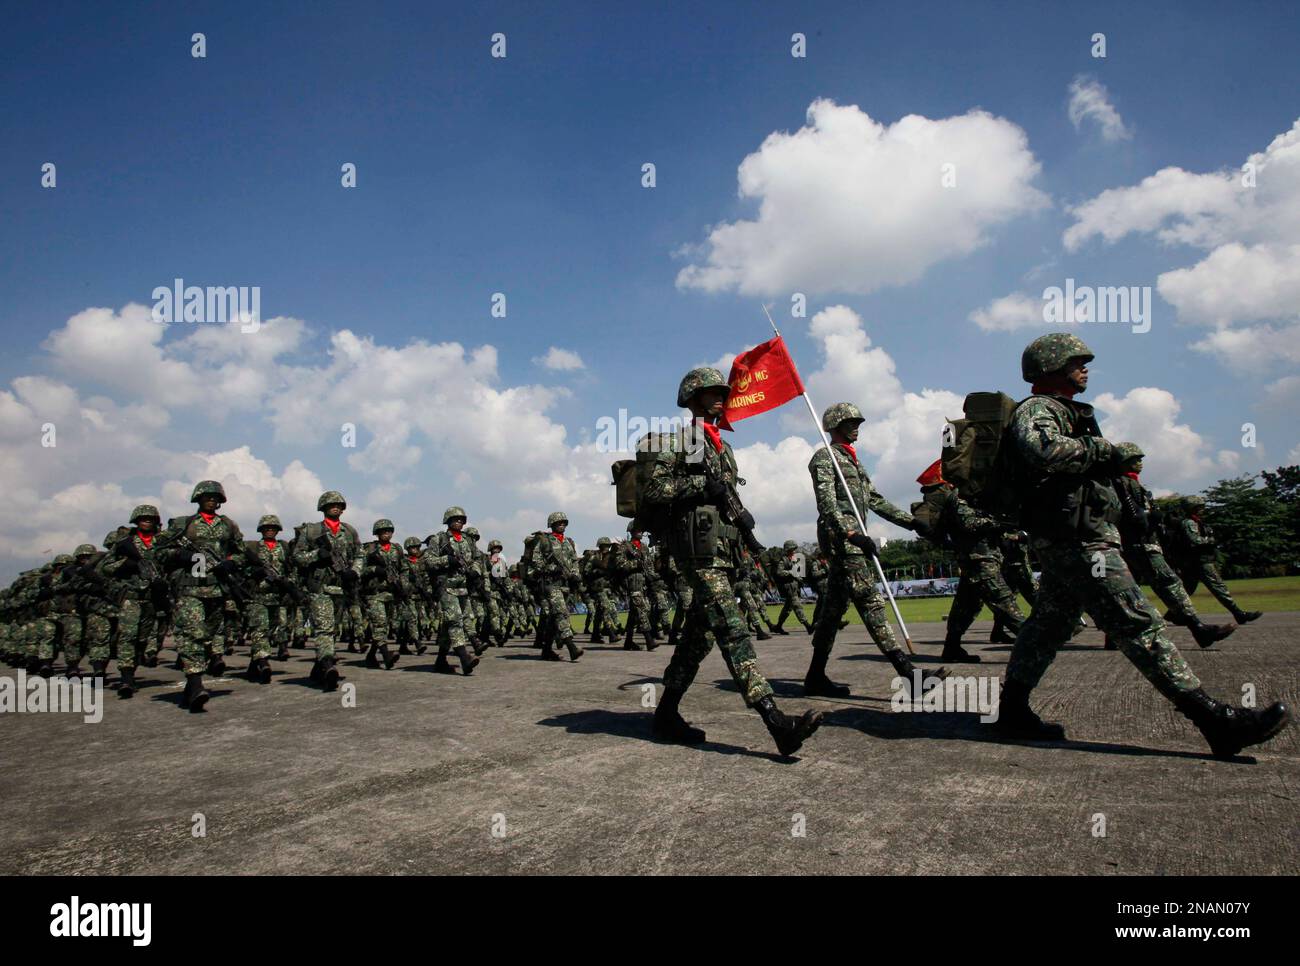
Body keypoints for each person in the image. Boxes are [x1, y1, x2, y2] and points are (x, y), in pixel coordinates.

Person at [996, 333, 1288, 757]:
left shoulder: (1065, 410)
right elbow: (1041, 449)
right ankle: (1214, 720)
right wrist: (1102, 449)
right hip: (1079, 542)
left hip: (1073, 538)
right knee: (1137, 621)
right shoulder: (1040, 409)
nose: (1085, 368)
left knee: (1048, 626)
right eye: (1076, 361)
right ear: (1052, 367)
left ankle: (1011, 712)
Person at [643, 367, 822, 756]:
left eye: (722, 391)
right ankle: (775, 721)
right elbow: (656, 490)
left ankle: (666, 714)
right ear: (692, 399)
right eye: (711, 392)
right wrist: (699, 484)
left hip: (721, 554)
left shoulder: (721, 447)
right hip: (698, 555)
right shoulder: (688, 440)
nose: (721, 396)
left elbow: (723, 501)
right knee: (732, 629)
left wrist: (744, 535)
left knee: (697, 639)